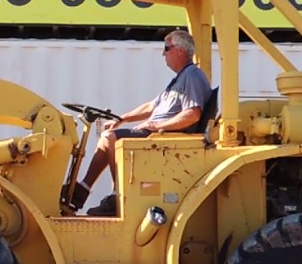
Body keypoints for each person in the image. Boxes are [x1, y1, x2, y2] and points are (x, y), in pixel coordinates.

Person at [77, 29, 212, 216]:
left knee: (109, 138)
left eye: (167, 48)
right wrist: (122, 119)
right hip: (156, 132)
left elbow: (193, 114)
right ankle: (81, 189)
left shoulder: (192, 76)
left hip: (164, 137)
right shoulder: (179, 79)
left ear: (180, 50)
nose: (163, 54)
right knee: (105, 138)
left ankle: (119, 196)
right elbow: (151, 107)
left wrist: (156, 126)